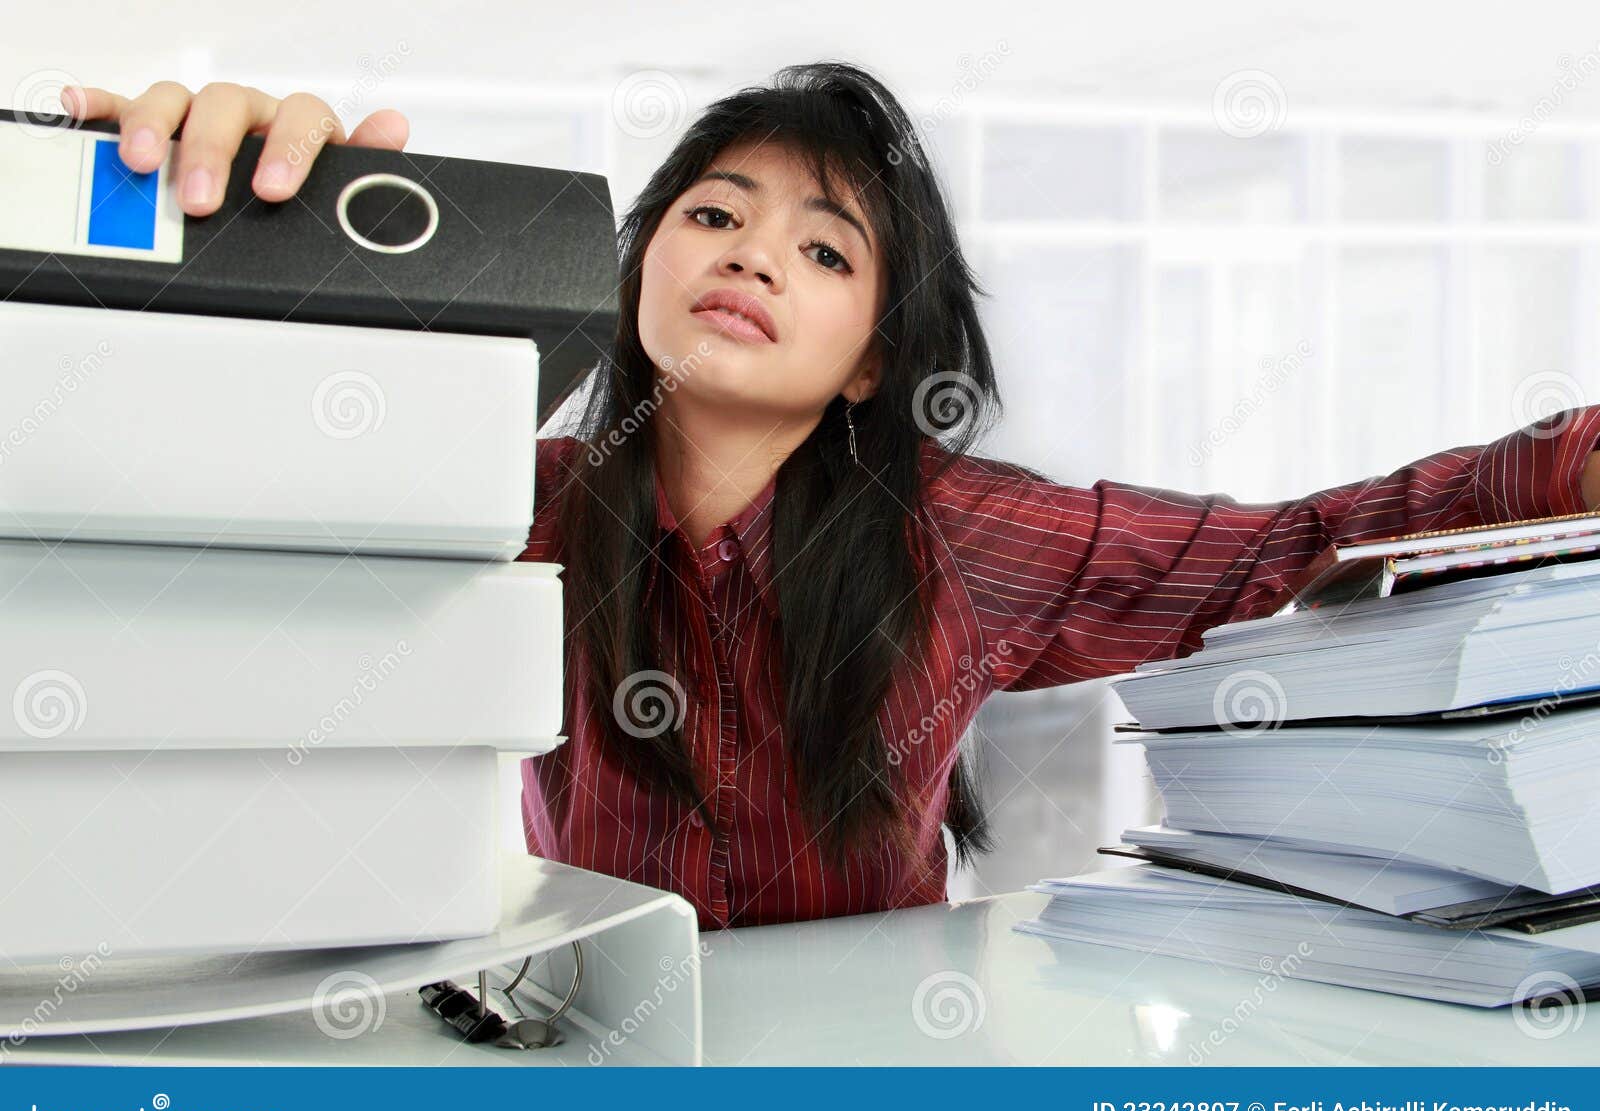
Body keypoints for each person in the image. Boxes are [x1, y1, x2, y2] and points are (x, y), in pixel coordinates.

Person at [66, 62, 1600, 931]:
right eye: (715, 212)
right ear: (641, 263)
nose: (747, 253)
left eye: (823, 248)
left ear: (873, 359)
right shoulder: (503, 499)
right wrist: (182, 243)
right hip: (594, 1057)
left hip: (887, 1073)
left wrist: (1569, 455)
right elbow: (190, 520)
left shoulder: (966, 534)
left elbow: (1289, 550)